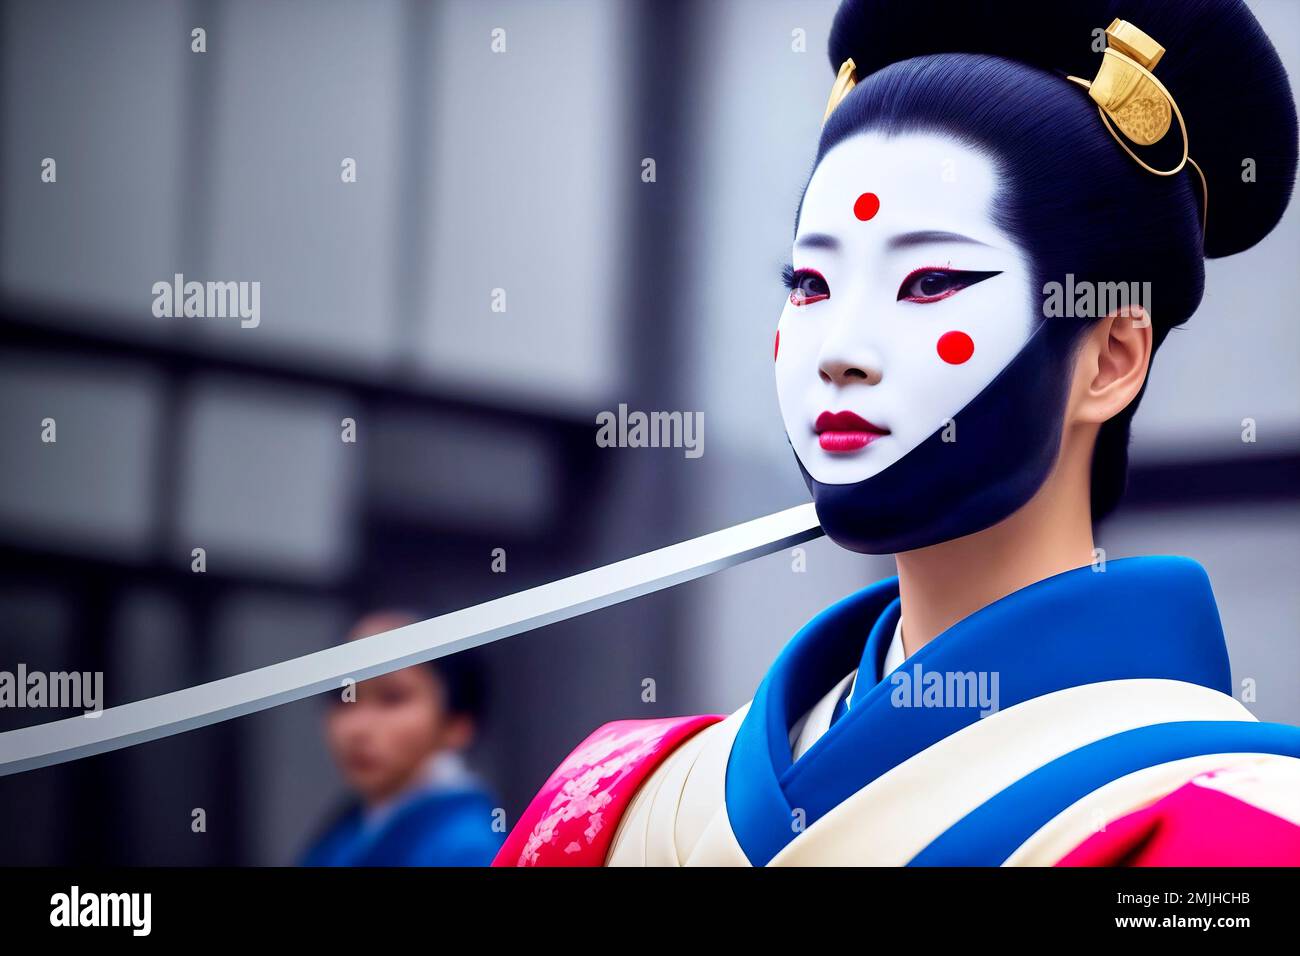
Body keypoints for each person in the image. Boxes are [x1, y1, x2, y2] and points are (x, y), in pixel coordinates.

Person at [495, 0, 1300, 866]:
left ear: (1109, 357)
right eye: (809, 285)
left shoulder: (1224, 834)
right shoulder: (623, 807)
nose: (840, 352)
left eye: (929, 282)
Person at [301, 611, 503, 866]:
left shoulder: (469, 849)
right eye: (344, 696)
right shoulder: (349, 828)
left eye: (392, 697)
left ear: (457, 723)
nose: (357, 728)